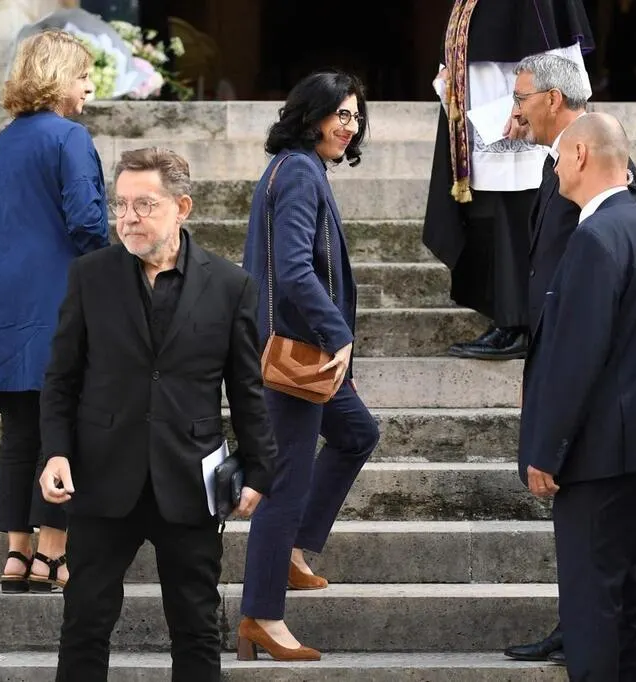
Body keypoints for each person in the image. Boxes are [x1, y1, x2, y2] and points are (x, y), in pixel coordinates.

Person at [38, 147, 277, 681]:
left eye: (143, 205)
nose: (128, 218)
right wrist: (55, 451)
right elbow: (61, 379)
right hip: (102, 476)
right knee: (84, 623)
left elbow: (246, 386)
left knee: (195, 627)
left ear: (182, 206)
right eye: (120, 205)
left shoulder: (229, 285)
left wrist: (260, 466)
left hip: (189, 478)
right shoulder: (89, 276)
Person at [500, 52, 636, 666]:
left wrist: (544, 450)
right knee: (624, 592)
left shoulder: (597, 237)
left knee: (592, 602)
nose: (554, 171)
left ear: (578, 155)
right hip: (633, 443)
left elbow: (578, 356)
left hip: (598, 448)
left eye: (558, 161)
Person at [0, 29, 109, 595]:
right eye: (83, 75)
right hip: (57, 304)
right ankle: (52, 552)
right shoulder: (69, 137)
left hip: (3, 308)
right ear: (57, 78)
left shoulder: (4, 141)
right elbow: (88, 222)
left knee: (20, 431)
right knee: (62, 425)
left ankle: (16, 555)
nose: (89, 87)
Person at [237, 71, 380, 661]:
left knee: (357, 433)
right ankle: (261, 616)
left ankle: (296, 548)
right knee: (283, 485)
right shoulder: (297, 172)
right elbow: (294, 270)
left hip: (302, 351)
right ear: (308, 116)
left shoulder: (298, 169)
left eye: (353, 117)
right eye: (337, 115)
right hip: (297, 355)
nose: (347, 127)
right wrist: (336, 332)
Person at [423, 0, 594, 360]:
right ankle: (507, 317)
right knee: (491, 218)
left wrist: (523, 105)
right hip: (478, 116)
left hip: (518, 113)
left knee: (517, 216)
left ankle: (520, 323)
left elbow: (554, 49)